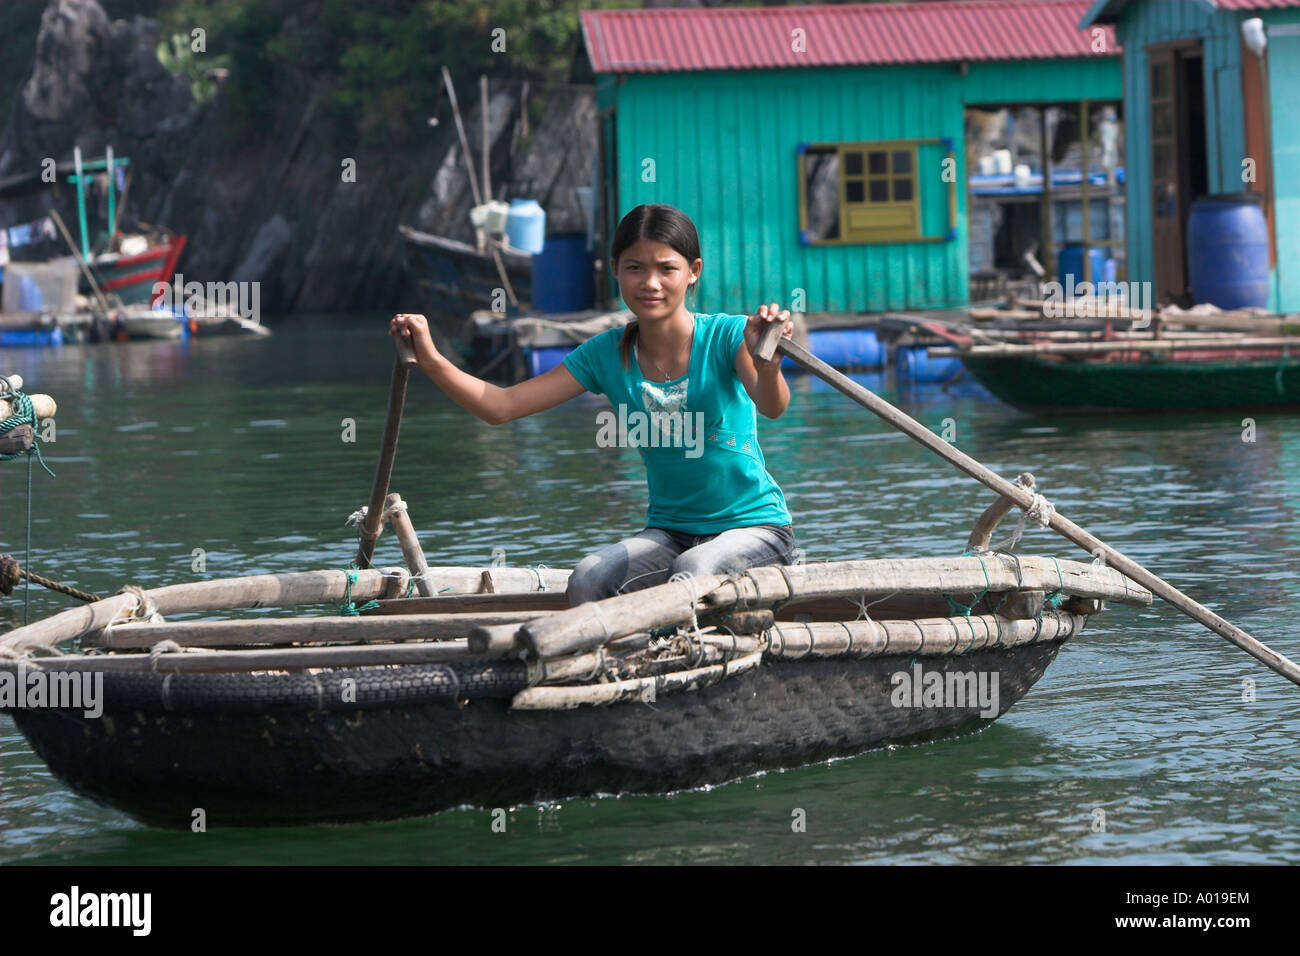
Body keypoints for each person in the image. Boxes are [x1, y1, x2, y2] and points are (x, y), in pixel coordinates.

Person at [390, 202, 797, 607]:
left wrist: (767, 364)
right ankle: (628, 665)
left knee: (693, 570)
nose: (650, 283)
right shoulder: (605, 355)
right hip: (671, 532)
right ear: (615, 268)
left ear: (693, 272)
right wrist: (432, 359)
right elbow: (502, 406)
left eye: (667, 268)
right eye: (635, 267)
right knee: (586, 579)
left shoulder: (728, 336)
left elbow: (772, 405)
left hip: (756, 530)